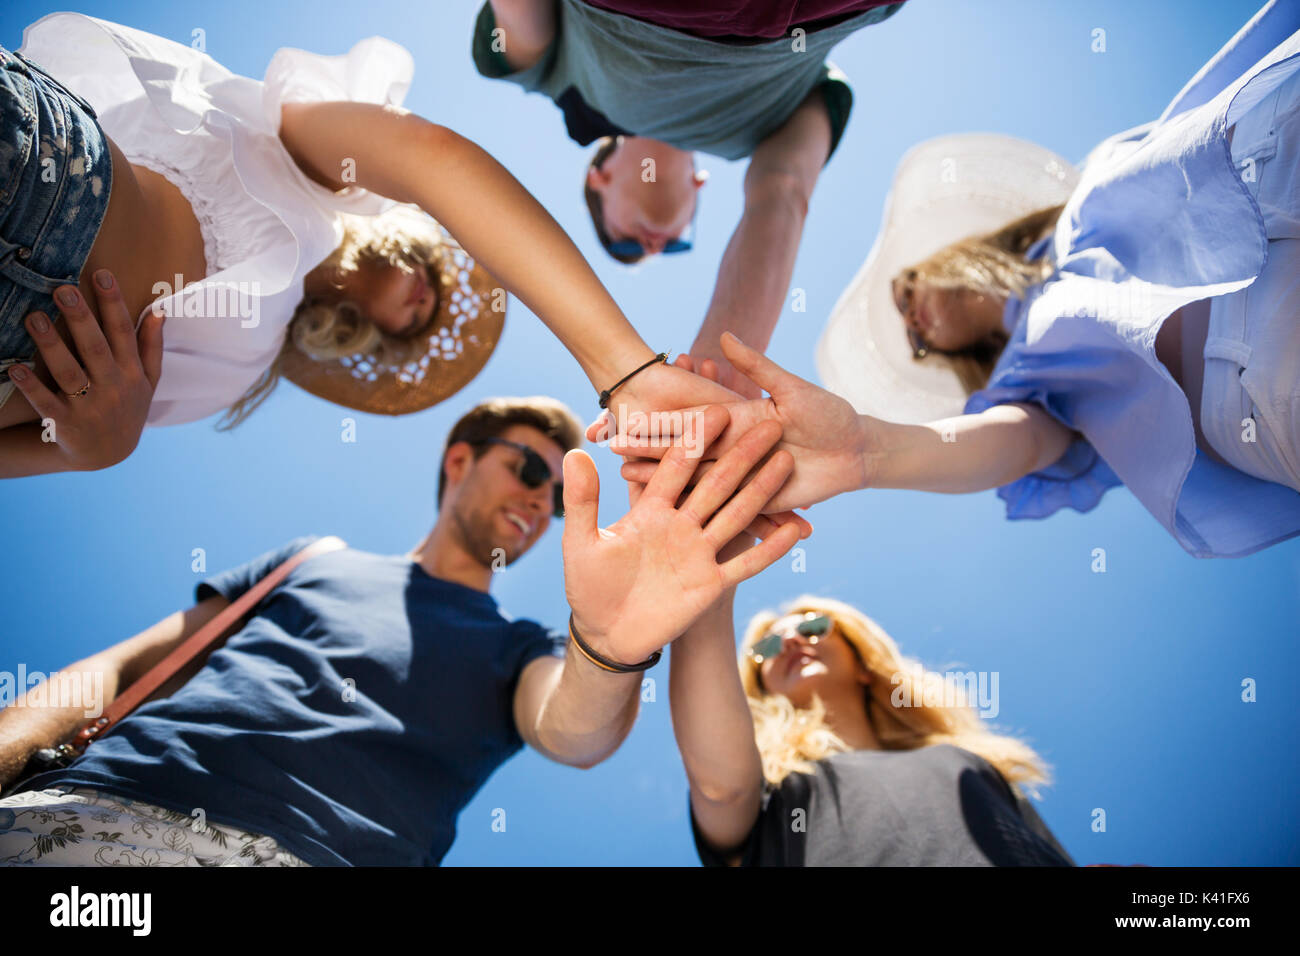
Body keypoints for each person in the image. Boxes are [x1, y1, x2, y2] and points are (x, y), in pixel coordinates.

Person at [614, 3, 1300, 559]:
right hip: (1258, 389)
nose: (913, 325)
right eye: (916, 343)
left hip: (1266, 158)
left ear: (953, 257)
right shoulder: (1033, 390)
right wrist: (865, 451)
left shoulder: (1087, 200)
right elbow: (1016, 442)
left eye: (906, 294)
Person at [0, 395, 805, 865]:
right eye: (527, 469)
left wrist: (610, 643)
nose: (538, 502)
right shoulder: (312, 558)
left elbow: (574, 731)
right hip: (85, 813)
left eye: (556, 496)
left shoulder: (521, 645)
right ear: (459, 461)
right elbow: (120, 669)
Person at [0, 13, 755, 478]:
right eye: (434, 274)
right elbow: (435, 161)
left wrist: (98, 450)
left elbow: (45, 434)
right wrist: (626, 371)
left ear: (376, 341)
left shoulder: (238, 373)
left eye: (416, 323)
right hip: (41, 183)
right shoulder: (318, 175)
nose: (425, 300)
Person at [472, 0, 906, 395]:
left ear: (599, 175)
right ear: (700, 186)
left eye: (624, 241)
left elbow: (518, 15)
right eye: (675, 244)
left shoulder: (565, 85)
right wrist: (719, 389)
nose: (654, 244)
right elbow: (783, 196)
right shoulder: (758, 136)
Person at [670, 589, 1073, 866]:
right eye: (768, 649)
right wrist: (707, 595)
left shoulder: (970, 763)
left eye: (811, 627)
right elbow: (720, 789)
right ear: (763, 690)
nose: (791, 641)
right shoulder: (772, 786)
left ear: (863, 664)